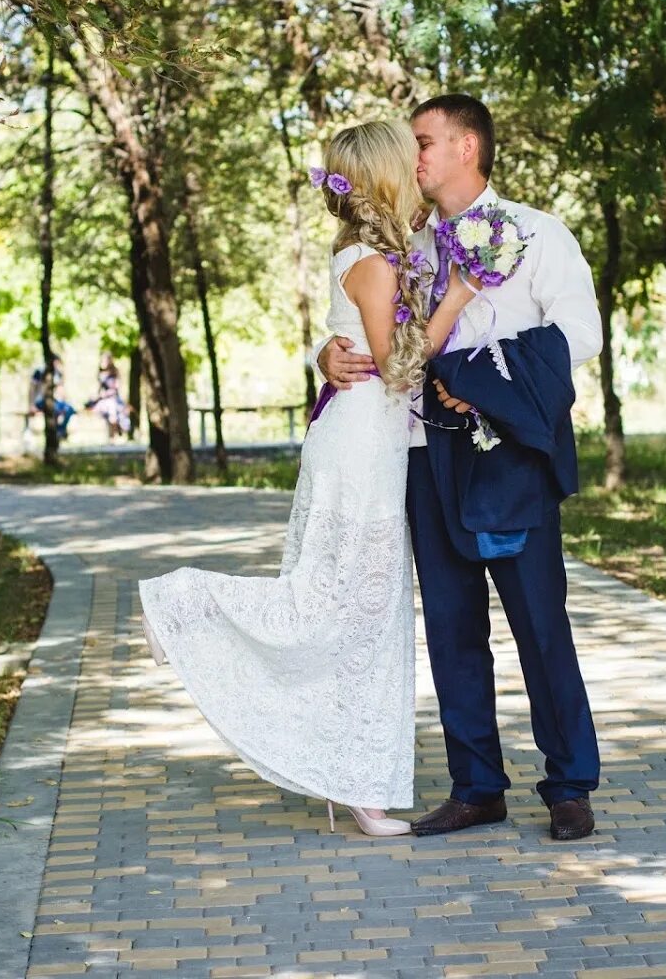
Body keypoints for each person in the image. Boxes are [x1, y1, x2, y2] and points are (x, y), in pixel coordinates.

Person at [138, 119, 475, 837]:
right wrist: (457, 300)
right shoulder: (376, 262)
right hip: (360, 451)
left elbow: (364, 334)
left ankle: (356, 785)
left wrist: (331, 347)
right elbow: (400, 365)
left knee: (364, 617)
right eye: (406, 157)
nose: (418, 165)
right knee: (334, 607)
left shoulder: (377, 250)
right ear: (386, 173)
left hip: (366, 441)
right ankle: (184, 599)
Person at [317, 94, 604, 841]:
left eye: (425, 141)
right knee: (451, 629)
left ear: (468, 147)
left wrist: (476, 376)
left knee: (540, 624)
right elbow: (368, 325)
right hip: (422, 454)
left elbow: (579, 334)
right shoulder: (405, 244)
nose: (412, 157)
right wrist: (325, 355)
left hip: (509, 452)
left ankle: (569, 783)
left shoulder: (536, 234)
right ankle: (477, 786)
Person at [86, 353, 131, 441]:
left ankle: (114, 434)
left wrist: (106, 394)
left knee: (113, 413)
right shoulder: (100, 373)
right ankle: (112, 435)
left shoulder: (115, 372)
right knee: (103, 412)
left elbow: (116, 388)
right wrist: (97, 396)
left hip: (113, 398)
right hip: (103, 399)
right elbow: (99, 388)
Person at [29, 357, 76, 440]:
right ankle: (56, 433)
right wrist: (31, 405)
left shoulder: (58, 373)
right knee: (55, 410)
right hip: (40, 401)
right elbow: (32, 389)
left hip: (55, 401)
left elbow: (61, 390)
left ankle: (60, 430)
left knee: (69, 409)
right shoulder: (39, 372)